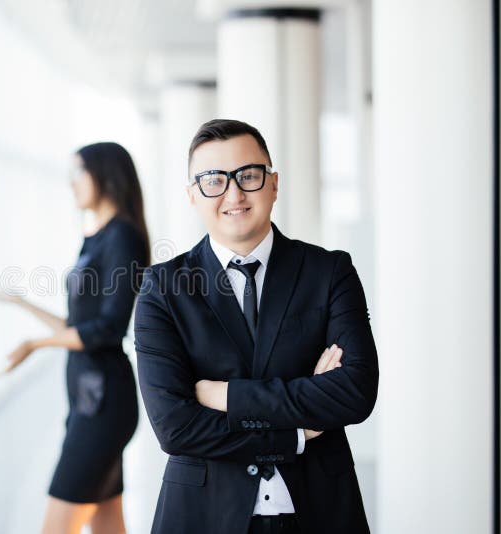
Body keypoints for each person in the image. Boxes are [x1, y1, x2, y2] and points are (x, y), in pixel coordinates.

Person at [134, 120, 379, 534]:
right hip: (203, 514)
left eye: (248, 176)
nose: (234, 193)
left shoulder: (329, 271)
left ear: (273, 183)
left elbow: (355, 392)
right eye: (214, 180)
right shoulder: (163, 288)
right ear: (193, 195)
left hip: (320, 509)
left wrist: (224, 395)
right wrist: (298, 433)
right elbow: (176, 427)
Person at [0, 142, 149, 534]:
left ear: (104, 175)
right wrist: (21, 303)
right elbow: (78, 325)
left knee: (56, 527)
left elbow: (107, 329)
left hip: (103, 402)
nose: (71, 184)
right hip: (88, 399)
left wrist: (34, 345)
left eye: (78, 173)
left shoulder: (123, 237)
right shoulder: (97, 237)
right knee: (108, 525)